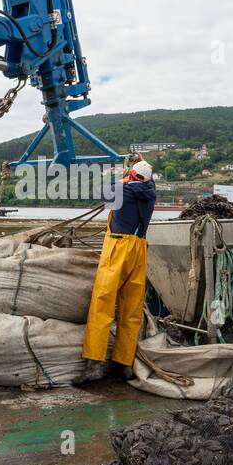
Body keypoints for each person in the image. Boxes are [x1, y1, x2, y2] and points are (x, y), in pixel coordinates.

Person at [83, 159, 156, 376]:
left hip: (118, 247)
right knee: (132, 307)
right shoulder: (150, 192)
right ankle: (125, 362)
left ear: (132, 176)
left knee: (102, 301)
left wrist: (124, 178)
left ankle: (94, 360)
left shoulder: (124, 190)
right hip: (140, 248)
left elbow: (102, 193)